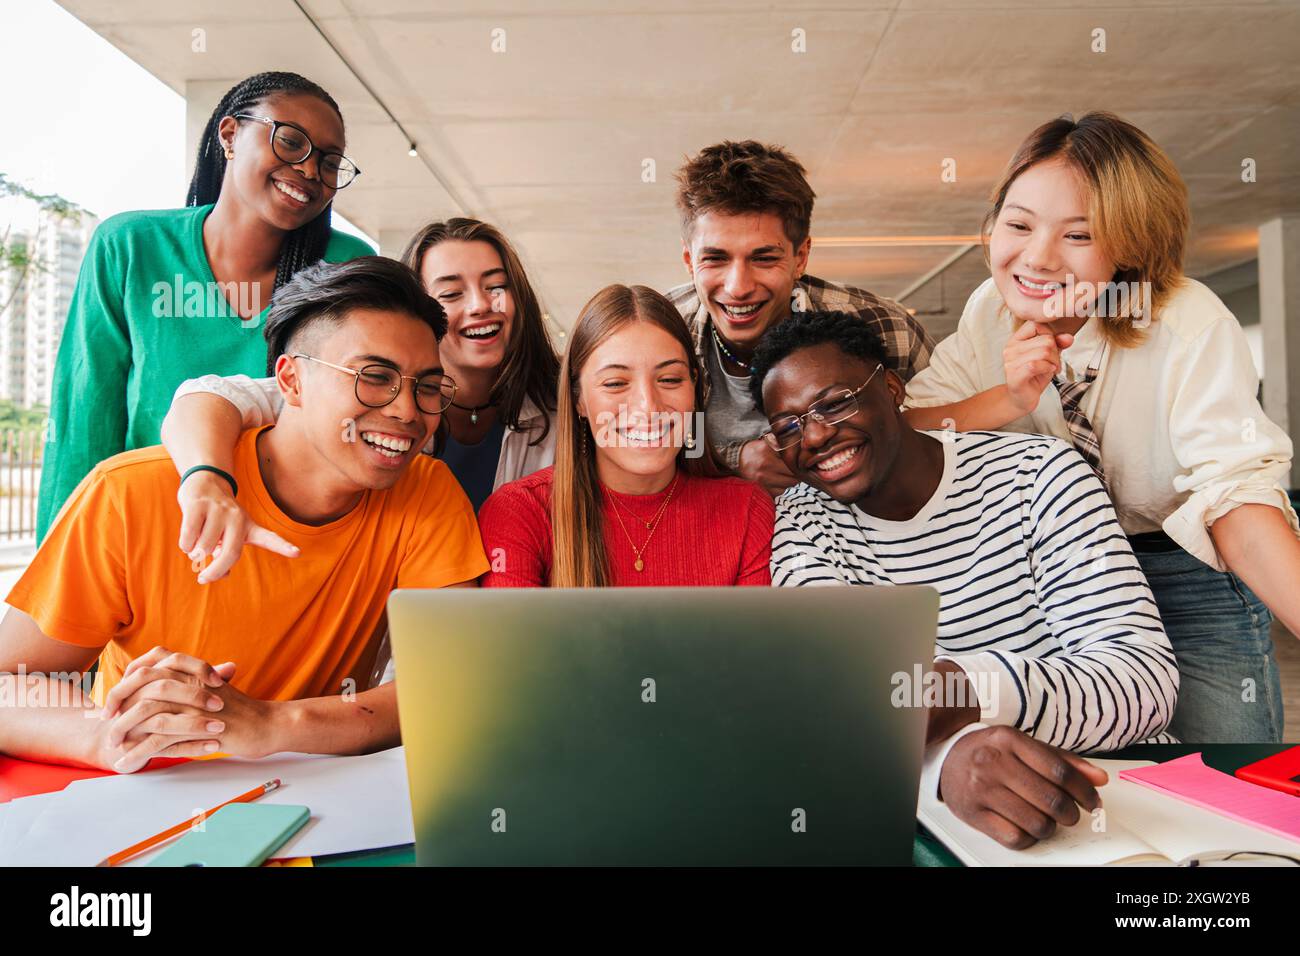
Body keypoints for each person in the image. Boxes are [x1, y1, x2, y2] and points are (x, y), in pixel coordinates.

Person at [0, 257, 487, 774]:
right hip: (146, 796)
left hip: (320, 801)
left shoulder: (427, 492)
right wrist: (107, 733)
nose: (408, 411)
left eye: (428, 386)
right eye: (375, 377)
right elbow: (9, 681)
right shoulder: (128, 494)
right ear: (290, 380)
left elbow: (445, 686)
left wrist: (271, 725)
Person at [903, 112, 1295, 743]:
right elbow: (911, 432)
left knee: (1224, 775)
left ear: (1131, 247)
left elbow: (1236, 498)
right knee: (1086, 767)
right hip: (1051, 570)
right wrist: (1004, 399)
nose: (1036, 257)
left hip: (1180, 570)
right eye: (1019, 224)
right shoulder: (989, 311)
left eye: (1078, 235)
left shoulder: (1187, 323)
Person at [754, 310, 1177, 849]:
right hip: (931, 810)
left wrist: (959, 691)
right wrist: (948, 759)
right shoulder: (803, 519)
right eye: (787, 426)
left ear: (890, 387)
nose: (813, 435)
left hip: (1111, 796)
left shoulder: (1042, 476)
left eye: (835, 403)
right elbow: (840, 706)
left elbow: (1143, 684)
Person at [36, 71, 374, 541]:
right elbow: (86, 416)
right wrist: (57, 557)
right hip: (142, 534)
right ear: (230, 135)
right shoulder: (130, 247)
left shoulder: (348, 265)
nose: (311, 170)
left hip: (286, 539)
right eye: (291, 142)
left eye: (330, 162)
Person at [158, 218, 559, 581]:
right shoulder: (339, 392)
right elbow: (208, 396)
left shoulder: (561, 407)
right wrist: (206, 480)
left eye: (496, 286)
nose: (479, 305)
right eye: (451, 293)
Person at [665, 139, 936, 497]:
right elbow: (631, 445)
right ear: (689, 262)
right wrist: (734, 459)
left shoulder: (884, 327)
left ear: (801, 256)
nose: (738, 287)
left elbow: (936, 439)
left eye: (763, 258)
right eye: (715, 259)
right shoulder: (662, 334)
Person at [478, 284, 773, 587]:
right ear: (578, 399)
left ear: (693, 389)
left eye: (670, 379)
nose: (648, 407)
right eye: (616, 383)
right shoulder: (519, 512)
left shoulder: (747, 509)